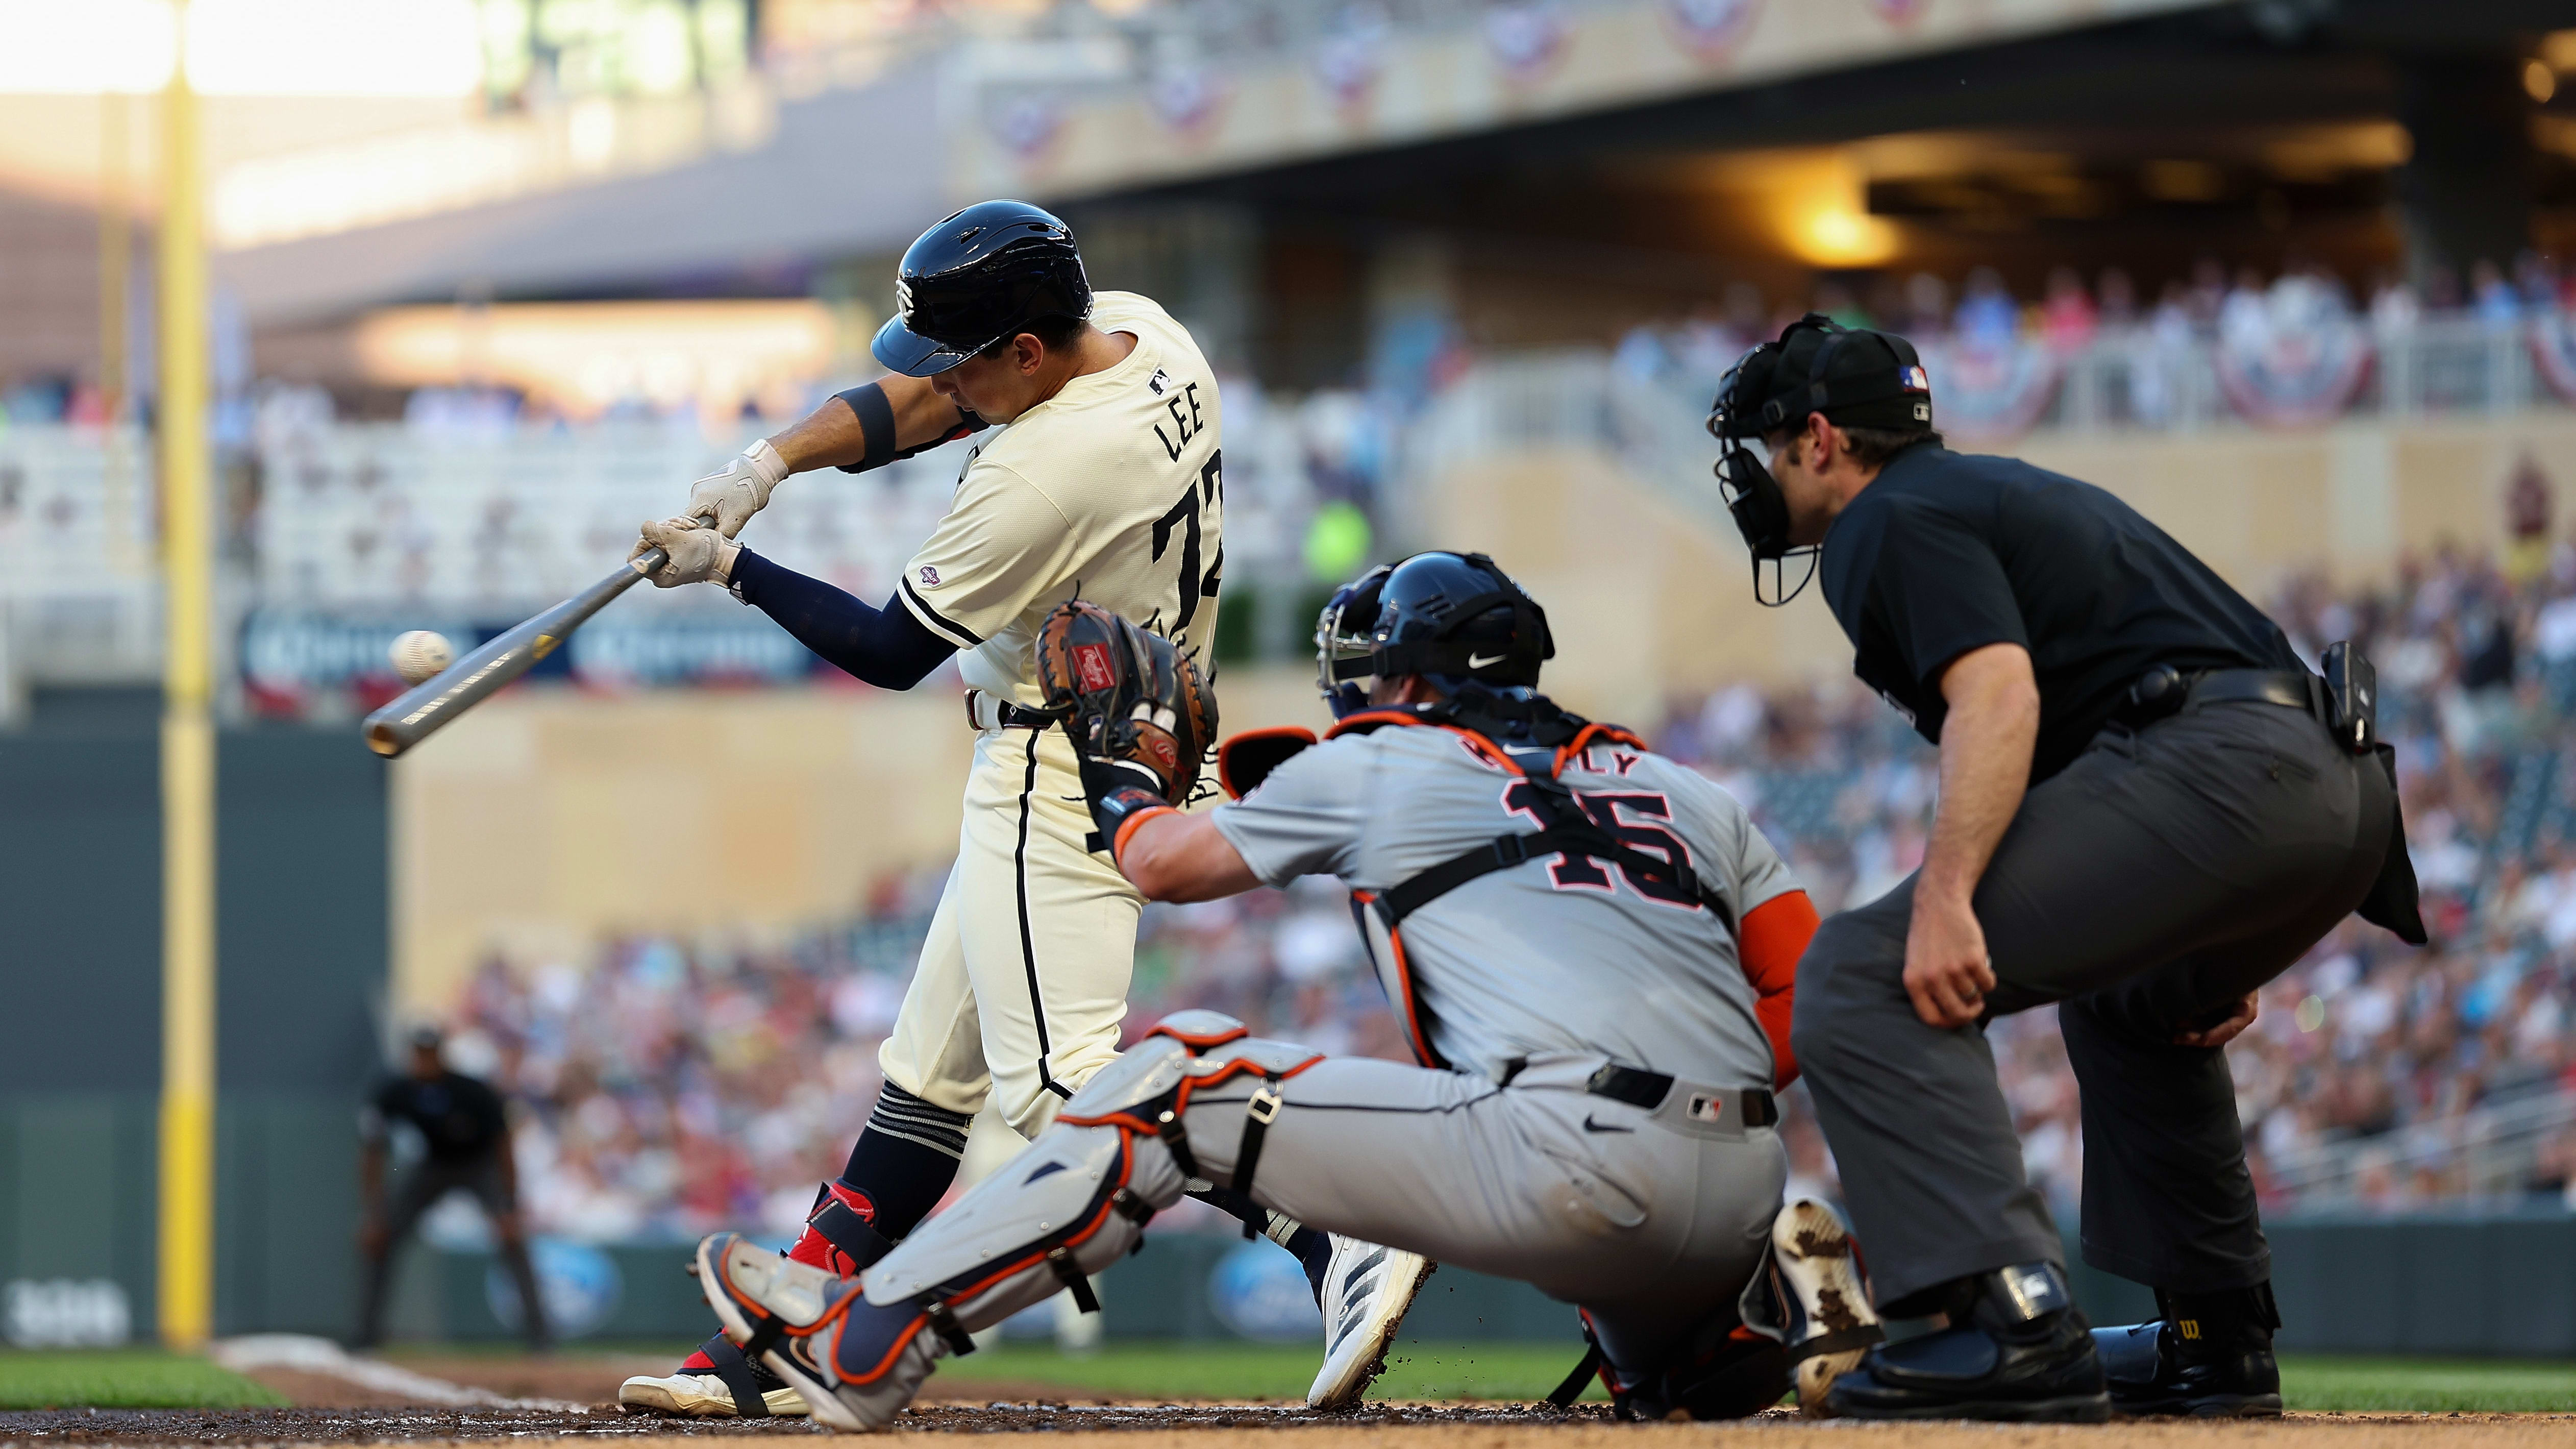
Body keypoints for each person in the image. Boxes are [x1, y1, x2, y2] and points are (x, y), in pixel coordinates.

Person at [679, 552, 1884, 1430]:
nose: (1347, 700)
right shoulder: (1689, 789)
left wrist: (1111, 766)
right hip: (1738, 1172)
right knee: (1667, 1375)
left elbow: (1161, 861)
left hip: (1564, 1160)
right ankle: (1749, 1311)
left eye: (1360, 677)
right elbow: (1812, 996)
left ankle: (863, 1335)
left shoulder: (1384, 755)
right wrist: (1691, 1111)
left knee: (1183, 1074)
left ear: (1407, 681)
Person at [613, 200, 1422, 1418]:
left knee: (1060, 1087)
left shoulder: (1054, 468)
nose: (946, 381)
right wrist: (763, 467)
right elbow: (937, 398)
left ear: (1030, 352)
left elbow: (892, 649)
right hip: (1125, 719)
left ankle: (1335, 1228)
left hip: (1062, 760)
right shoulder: (1145, 333)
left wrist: (734, 569)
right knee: (927, 1082)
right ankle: (778, 1347)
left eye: (968, 356)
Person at [1705, 315, 2421, 1420]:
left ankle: (2004, 1323)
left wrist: (1944, 897)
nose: (1755, 478)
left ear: (1819, 440)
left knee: (1856, 973)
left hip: (2225, 773)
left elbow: (1997, 697)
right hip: (2336, 789)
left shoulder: (1883, 519)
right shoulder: (1977, 493)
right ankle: (2213, 1337)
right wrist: (2204, 920)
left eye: (1763, 449)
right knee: (2131, 1006)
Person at [355, 1025, 546, 1352]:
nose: (425, 1061)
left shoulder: (473, 1091)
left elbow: (504, 1148)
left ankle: (540, 1338)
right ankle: (367, 1336)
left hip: (479, 1166)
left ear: (441, 1055)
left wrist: (510, 1206)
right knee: (382, 1238)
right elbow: (374, 1151)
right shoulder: (396, 1092)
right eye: (419, 1054)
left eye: (430, 1054)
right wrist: (375, 1213)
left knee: (513, 1241)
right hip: (435, 1166)